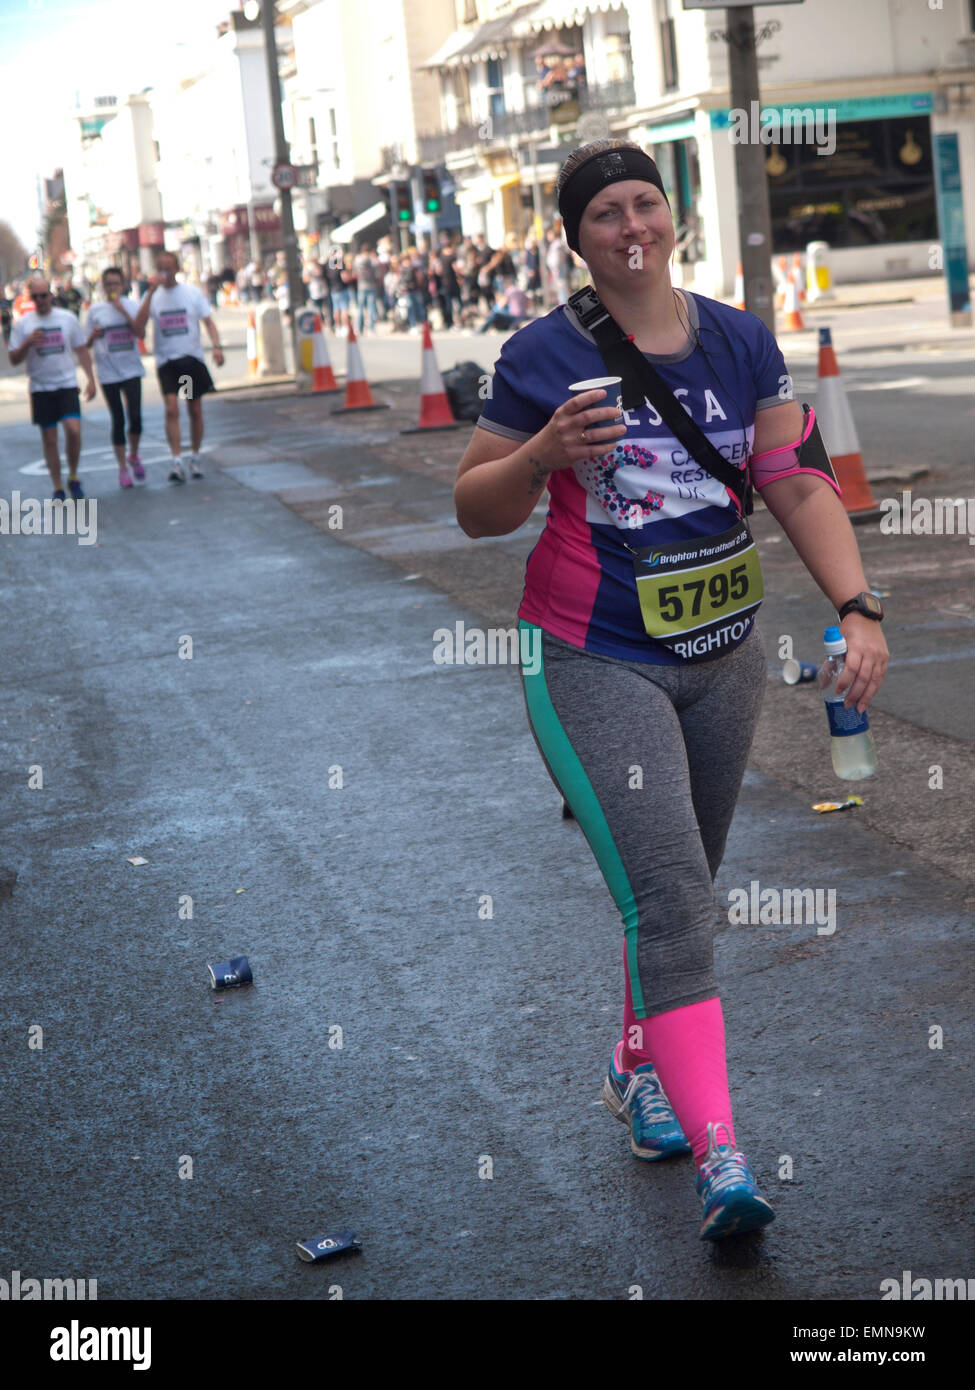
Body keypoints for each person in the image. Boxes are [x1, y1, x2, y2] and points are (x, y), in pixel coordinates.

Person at [453, 139, 889, 1241]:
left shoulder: (741, 339)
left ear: (671, 213)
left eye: (647, 201)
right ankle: (723, 1159)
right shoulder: (541, 355)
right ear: (576, 236)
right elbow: (475, 507)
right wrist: (546, 446)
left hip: (724, 654)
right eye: (606, 212)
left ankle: (637, 1063)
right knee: (678, 902)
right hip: (593, 655)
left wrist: (858, 606)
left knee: (679, 890)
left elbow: (793, 479)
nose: (632, 224)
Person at [132, 250, 224, 482]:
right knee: (171, 409)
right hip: (167, 361)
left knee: (194, 409)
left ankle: (195, 456)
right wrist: (151, 291)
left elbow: (208, 322)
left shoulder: (191, 293)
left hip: (189, 359)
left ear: (177, 268)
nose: (165, 272)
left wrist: (217, 346)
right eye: (160, 267)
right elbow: (138, 328)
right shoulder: (153, 296)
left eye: (169, 267)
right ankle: (176, 461)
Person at [8, 275, 96, 500]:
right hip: (40, 387)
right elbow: (14, 359)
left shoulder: (66, 318)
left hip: (66, 384)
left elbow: (81, 349)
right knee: (49, 439)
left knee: (74, 432)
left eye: (44, 295)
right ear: (31, 298)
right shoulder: (24, 324)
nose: (41, 300)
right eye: (35, 296)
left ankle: (73, 476)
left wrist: (90, 379)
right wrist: (28, 342)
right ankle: (58, 486)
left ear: (51, 295)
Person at [84, 266, 146, 488]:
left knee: (136, 416)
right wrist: (92, 336)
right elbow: (85, 345)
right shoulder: (95, 311)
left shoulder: (132, 305)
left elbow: (141, 333)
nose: (112, 288)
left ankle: (134, 455)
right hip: (108, 371)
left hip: (131, 368)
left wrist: (123, 312)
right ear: (103, 286)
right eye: (108, 284)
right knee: (118, 419)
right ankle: (122, 468)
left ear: (123, 285)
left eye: (115, 284)